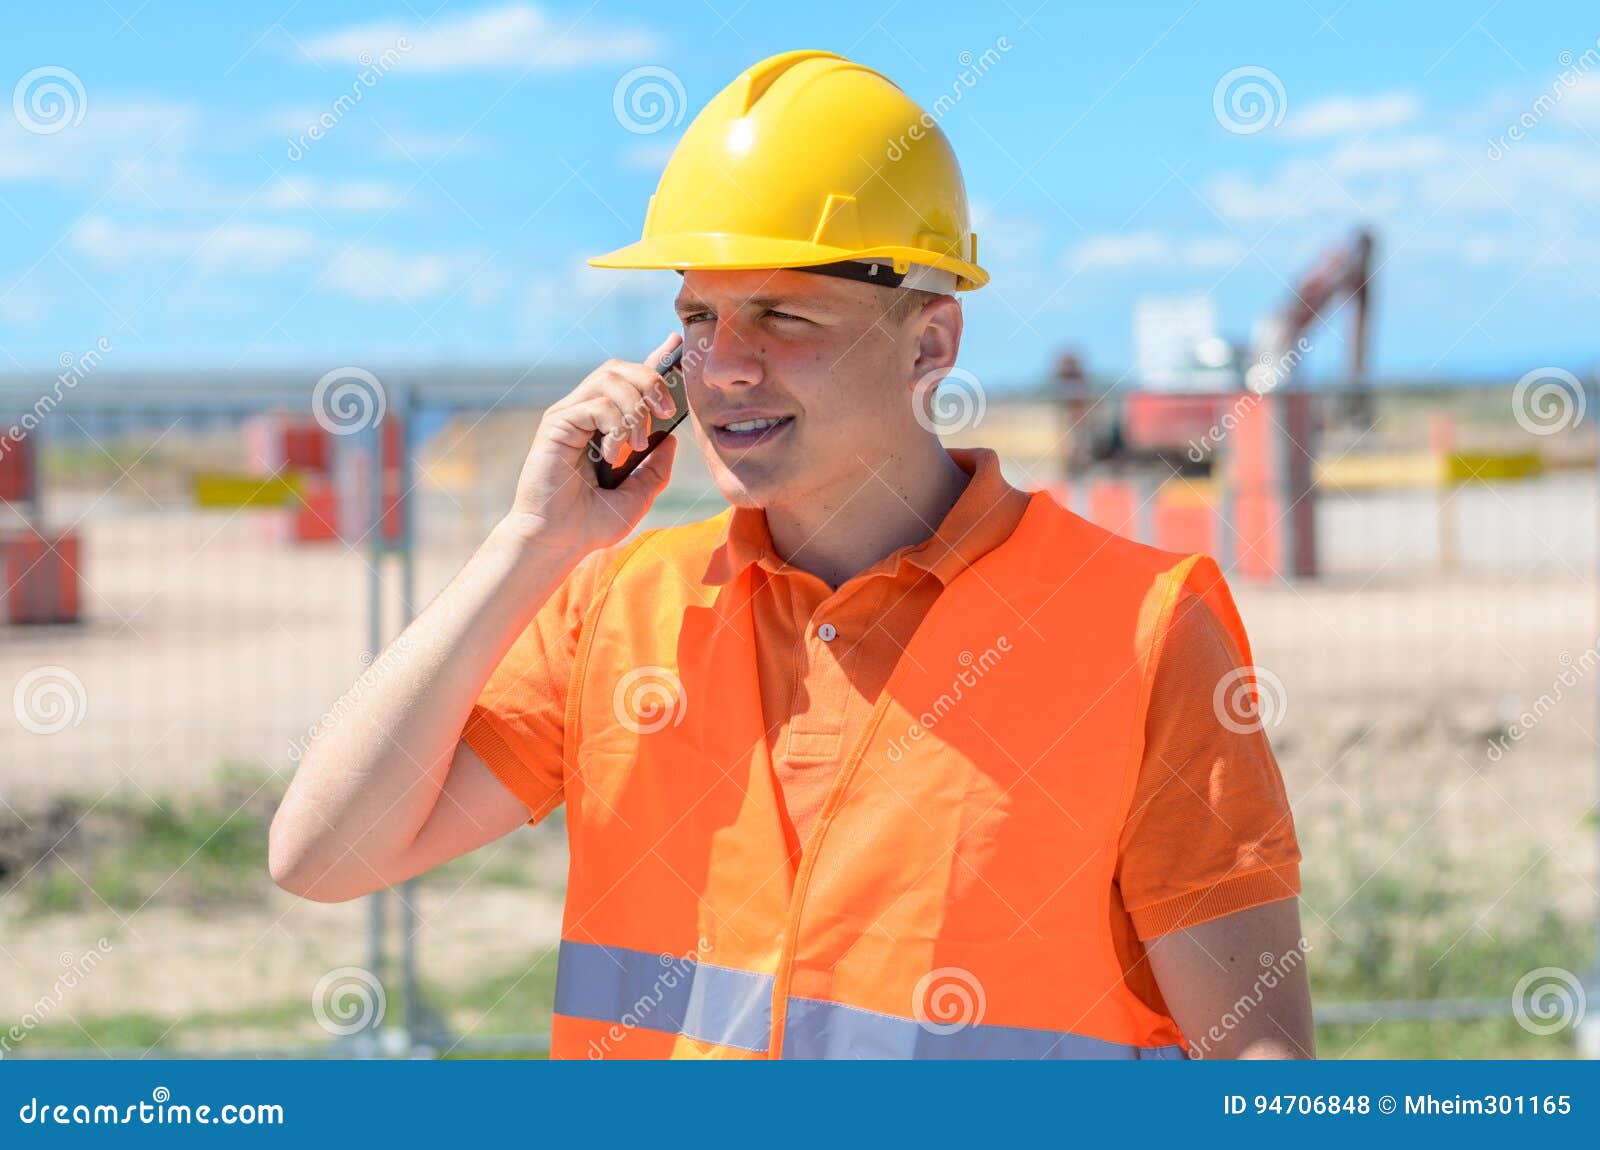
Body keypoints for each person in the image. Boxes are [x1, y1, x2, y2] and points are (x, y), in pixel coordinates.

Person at [269, 49, 1312, 1060]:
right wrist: (530, 543)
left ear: (930, 343)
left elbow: (1257, 1069)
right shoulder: (617, 607)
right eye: (698, 317)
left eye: (782, 315)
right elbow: (322, 855)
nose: (725, 366)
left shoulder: (1136, 627)